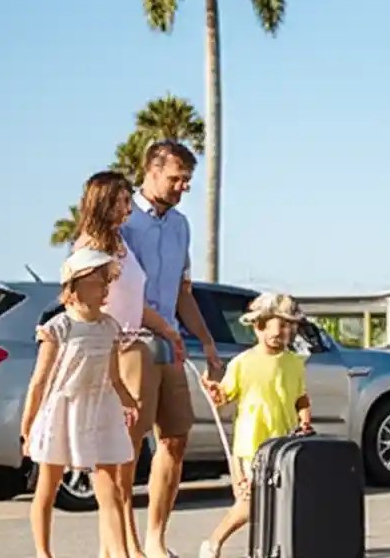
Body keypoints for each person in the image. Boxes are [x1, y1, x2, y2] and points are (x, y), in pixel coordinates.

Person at [73, 170, 187, 558]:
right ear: (103, 202)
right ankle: (125, 549)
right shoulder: (88, 249)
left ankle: (121, 549)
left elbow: (133, 304)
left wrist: (169, 332)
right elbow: (83, 308)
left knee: (124, 458)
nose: (128, 206)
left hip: (138, 345)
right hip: (114, 353)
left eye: (128, 199)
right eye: (121, 201)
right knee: (119, 456)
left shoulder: (120, 245)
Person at [120, 140, 223, 558]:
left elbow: (183, 293)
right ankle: (122, 542)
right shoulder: (123, 219)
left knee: (176, 439)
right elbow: (116, 290)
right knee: (126, 445)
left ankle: (155, 539)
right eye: (175, 177)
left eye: (188, 180)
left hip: (171, 345)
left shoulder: (180, 226)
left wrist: (209, 344)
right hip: (130, 344)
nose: (183, 186)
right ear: (151, 170)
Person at [20, 249, 139, 558]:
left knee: (108, 484)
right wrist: (28, 424)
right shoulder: (59, 328)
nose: (104, 288)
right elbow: (40, 381)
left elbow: (113, 376)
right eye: (96, 282)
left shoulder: (109, 327)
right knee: (48, 484)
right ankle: (43, 552)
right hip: (63, 411)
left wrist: (128, 400)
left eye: (105, 281)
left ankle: (118, 552)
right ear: (72, 290)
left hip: (100, 409)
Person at [198, 292, 312, 558]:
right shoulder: (243, 363)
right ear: (259, 327)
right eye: (277, 325)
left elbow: (301, 397)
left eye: (288, 326)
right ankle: (213, 542)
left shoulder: (295, 363)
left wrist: (305, 420)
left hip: (282, 445)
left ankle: (273, 547)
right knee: (249, 504)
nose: (282, 332)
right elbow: (224, 397)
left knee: (280, 500)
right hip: (251, 447)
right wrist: (216, 393)